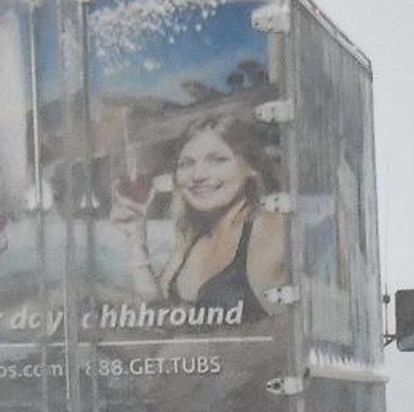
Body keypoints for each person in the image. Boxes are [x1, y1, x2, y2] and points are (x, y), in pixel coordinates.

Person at [109, 115, 291, 324]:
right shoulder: (193, 235)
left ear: (251, 166)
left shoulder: (270, 226)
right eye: (186, 164)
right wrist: (136, 240)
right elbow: (159, 312)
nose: (197, 175)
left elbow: (286, 328)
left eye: (217, 160)